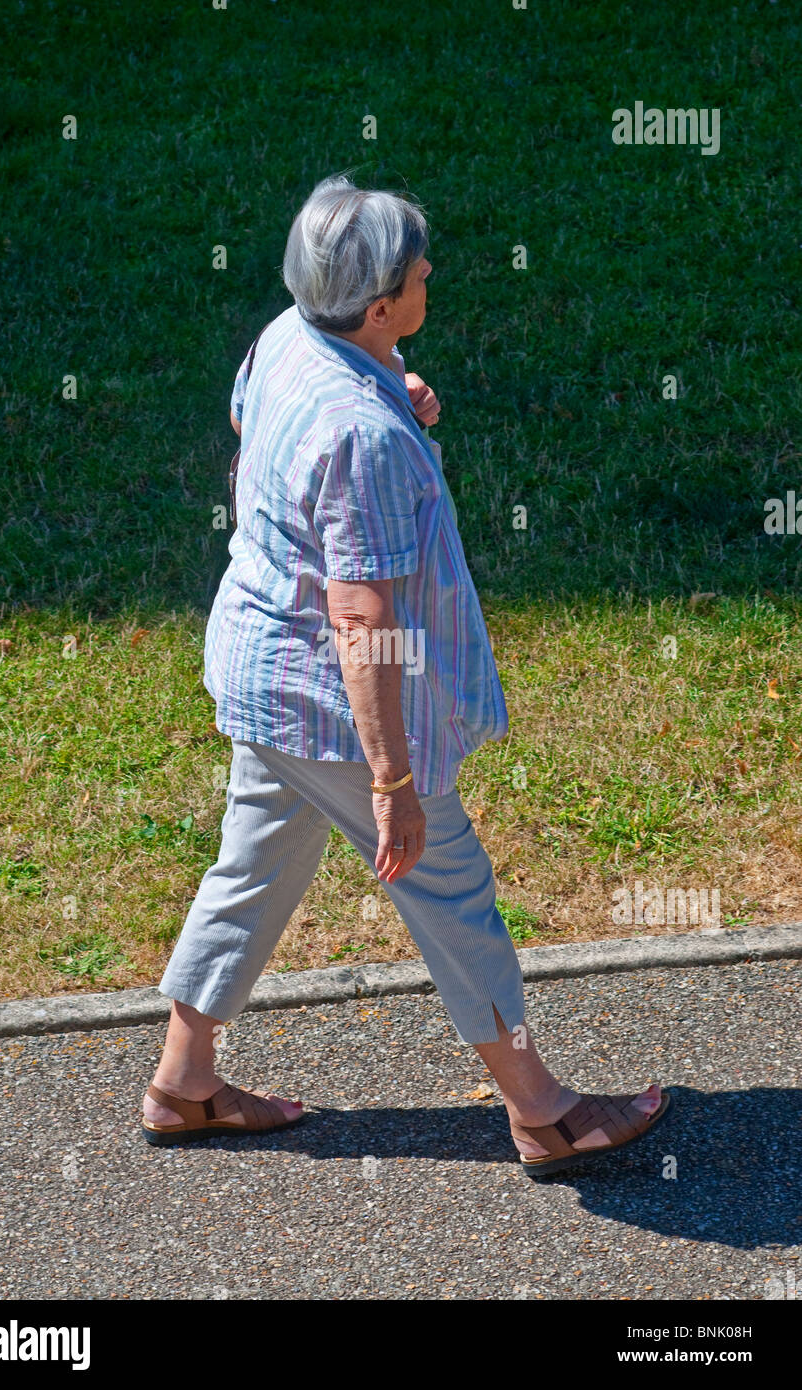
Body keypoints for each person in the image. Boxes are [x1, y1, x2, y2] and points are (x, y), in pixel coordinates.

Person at [142, 174, 670, 1177]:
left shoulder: (287, 337)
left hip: (259, 675)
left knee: (249, 875)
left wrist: (387, 378)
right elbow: (362, 617)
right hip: (335, 711)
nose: (432, 274)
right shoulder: (364, 435)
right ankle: (541, 1112)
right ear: (378, 302)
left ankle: (184, 1081)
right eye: (417, 272)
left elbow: (267, 444)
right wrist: (391, 782)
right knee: (452, 894)